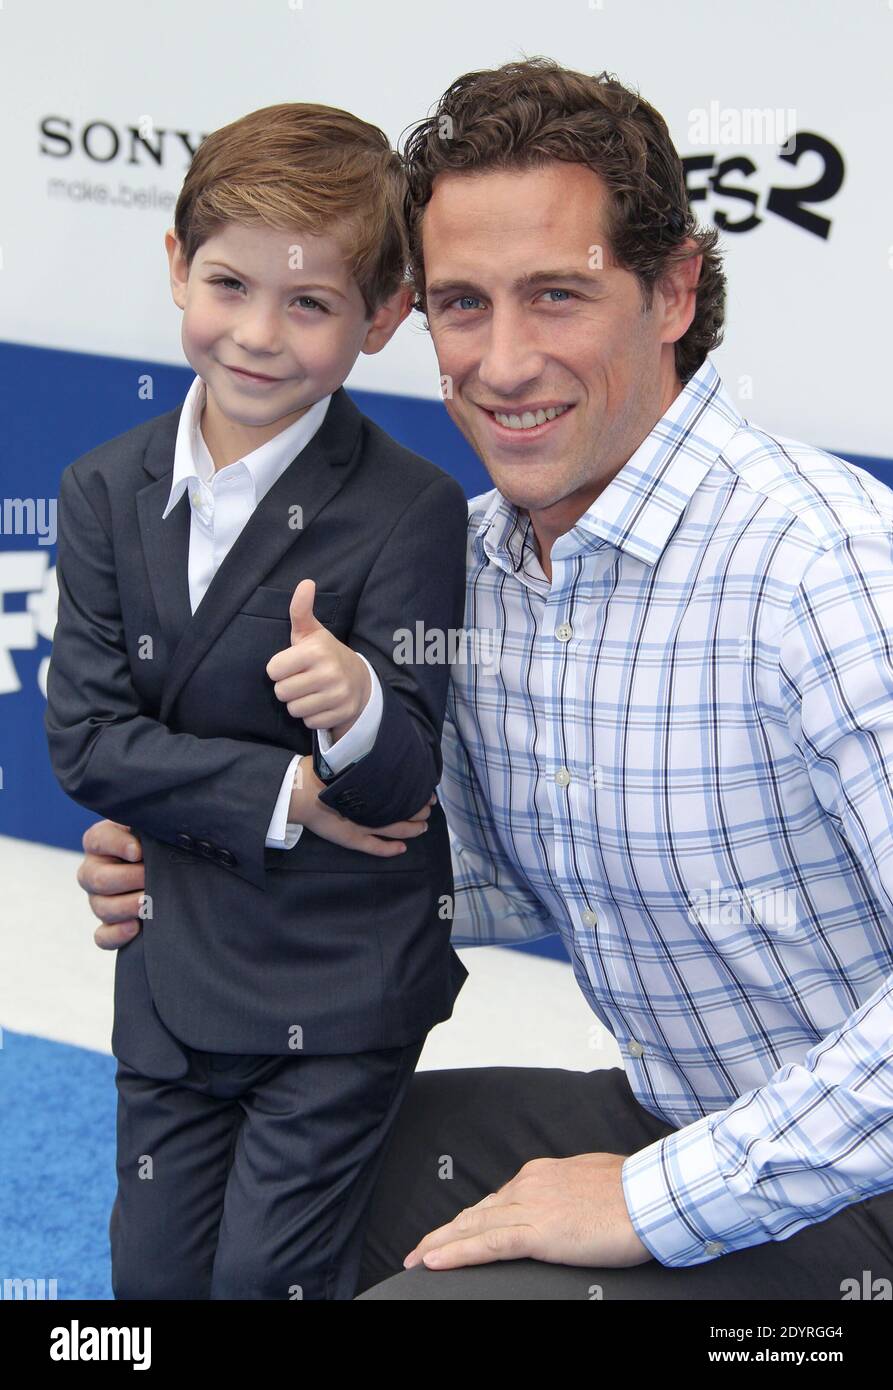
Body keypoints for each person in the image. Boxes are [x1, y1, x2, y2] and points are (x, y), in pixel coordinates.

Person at [75, 60, 893, 1301]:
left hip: (845, 1194)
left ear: (672, 290)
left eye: (555, 295)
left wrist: (647, 1196)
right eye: (463, 303)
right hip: (680, 1119)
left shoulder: (823, 568)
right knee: (228, 1237)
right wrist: (202, 847)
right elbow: (449, 875)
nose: (502, 363)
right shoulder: (469, 565)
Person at [44, 101, 469, 1301]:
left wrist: (354, 709)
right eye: (228, 283)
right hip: (171, 970)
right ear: (177, 265)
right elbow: (82, 738)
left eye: (311, 303)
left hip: (337, 988)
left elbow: (399, 790)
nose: (258, 336)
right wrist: (284, 786)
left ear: (381, 318)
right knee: (148, 1288)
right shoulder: (101, 488)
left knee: (264, 1281)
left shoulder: (411, 507)